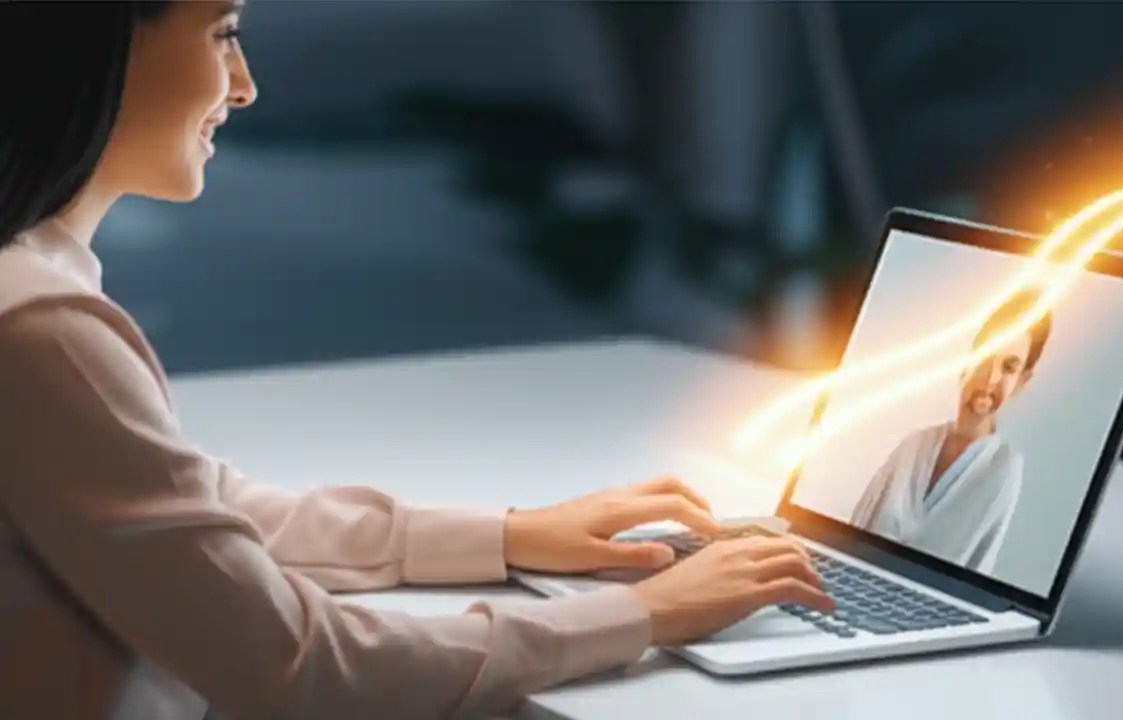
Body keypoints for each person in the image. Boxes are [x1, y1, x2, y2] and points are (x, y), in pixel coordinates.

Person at [0, 3, 834, 719]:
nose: (246, 83)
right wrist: (641, 616)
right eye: (222, 33)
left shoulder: (35, 284)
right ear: (103, 43)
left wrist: (509, 537)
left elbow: (201, 509)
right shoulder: (42, 327)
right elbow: (302, 668)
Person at [849, 290, 1053, 573]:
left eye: (1009, 367)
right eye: (985, 356)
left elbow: (975, 571)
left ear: (1022, 382)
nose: (990, 378)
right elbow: (850, 535)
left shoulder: (1003, 468)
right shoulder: (914, 445)